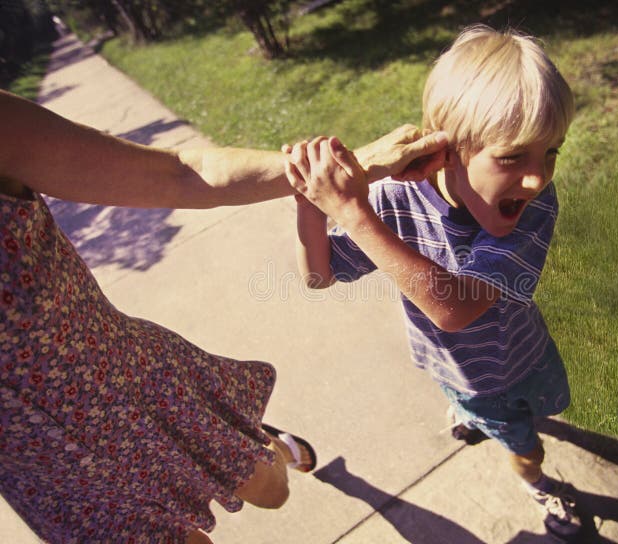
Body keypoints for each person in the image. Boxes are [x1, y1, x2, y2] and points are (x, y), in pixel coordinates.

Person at [0, 89, 447, 544]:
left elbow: (179, 174)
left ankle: (269, 442)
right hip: (42, 477)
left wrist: (341, 171)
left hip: (137, 390)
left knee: (274, 493)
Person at [285, 25, 581, 540]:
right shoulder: (391, 205)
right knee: (527, 446)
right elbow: (317, 275)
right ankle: (537, 486)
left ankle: (473, 418)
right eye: (513, 157)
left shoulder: (533, 207)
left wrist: (354, 213)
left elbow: (457, 307)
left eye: (551, 151)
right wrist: (312, 205)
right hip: (466, 373)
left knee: (540, 408)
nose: (539, 177)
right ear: (446, 147)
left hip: (524, 351)